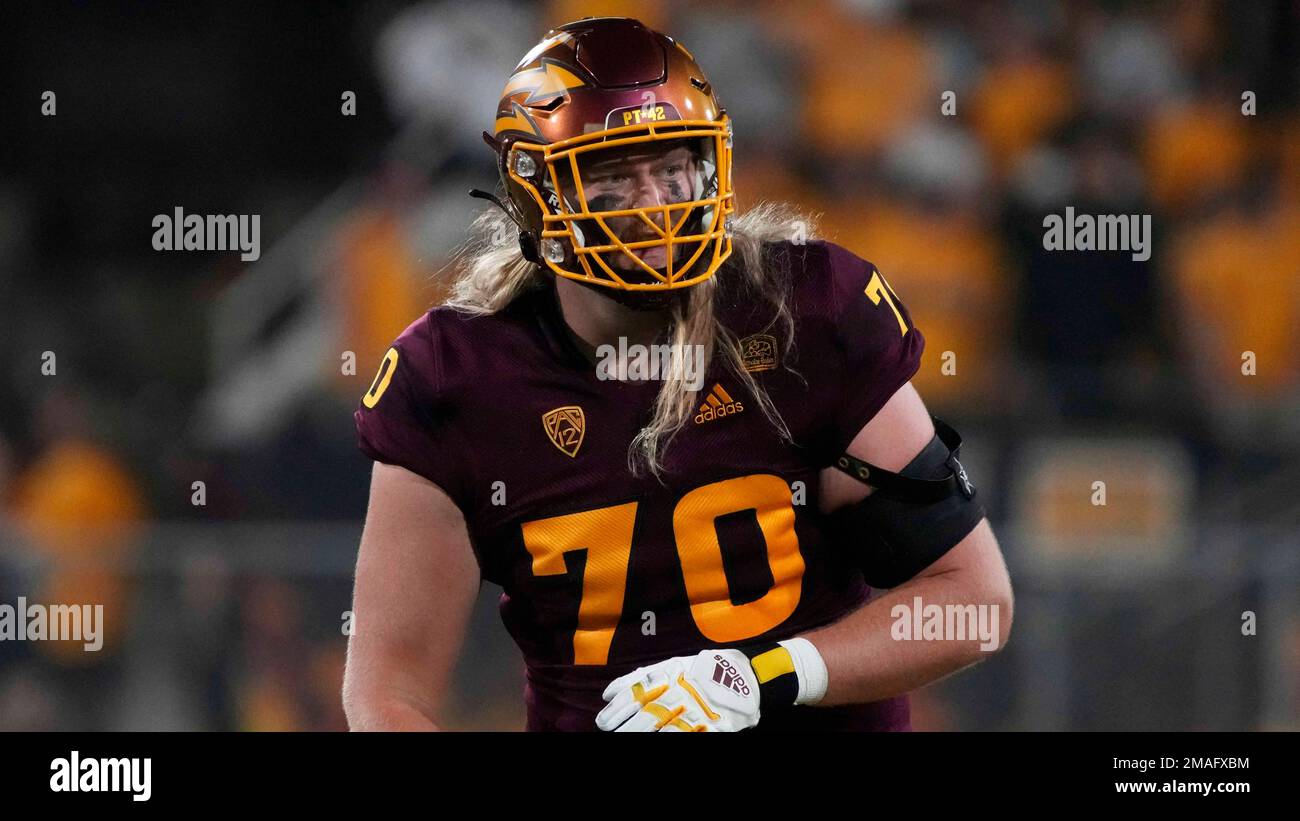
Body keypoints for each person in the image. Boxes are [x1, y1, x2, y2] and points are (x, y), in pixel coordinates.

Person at [344, 16, 1012, 732]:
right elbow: (388, 695)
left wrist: (768, 676)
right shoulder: (455, 379)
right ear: (538, 193)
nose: (656, 200)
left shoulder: (801, 316)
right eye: (611, 172)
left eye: (672, 165)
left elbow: (972, 601)